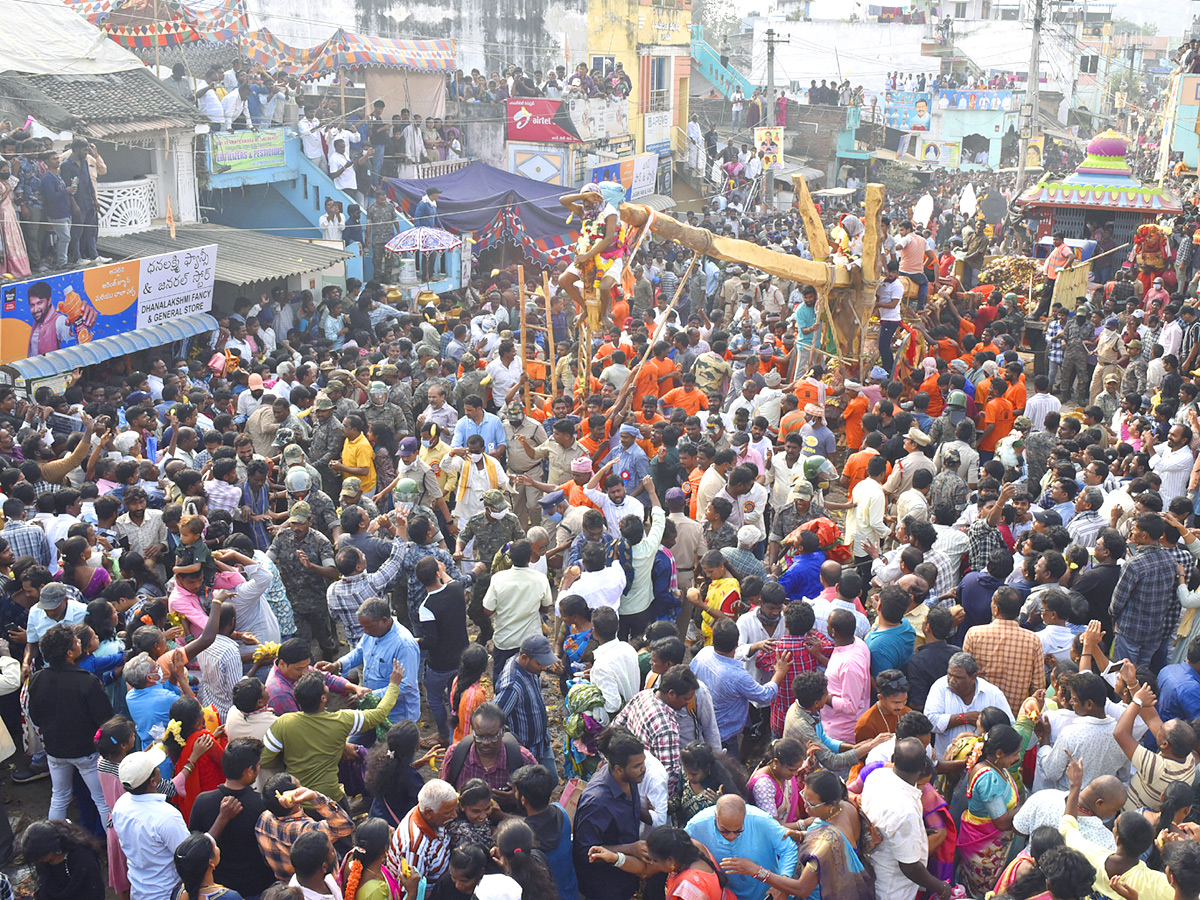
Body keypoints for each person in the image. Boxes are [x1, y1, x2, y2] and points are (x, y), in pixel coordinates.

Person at [861, 737, 955, 900]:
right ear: (923, 767)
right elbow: (910, 867)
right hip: (893, 888)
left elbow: (886, 824)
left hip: (875, 869)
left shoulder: (877, 775)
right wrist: (940, 887)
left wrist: (918, 831)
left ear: (893, 759)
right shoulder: (905, 811)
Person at [111, 749, 193, 900]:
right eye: (155, 768)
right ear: (153, 782)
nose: (158, 769)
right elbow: (188, 856)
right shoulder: (167, 816)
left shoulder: (121, 805)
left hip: (139, 890)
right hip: (166, 893)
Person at [957, 724, 1024, 896]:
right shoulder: (988, 778)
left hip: (985, 838)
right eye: (1015, 754)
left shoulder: (996, 766)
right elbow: (1001, 822)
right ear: (999, 753)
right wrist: (1028, 806)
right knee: (985, 892)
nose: (1017, 758)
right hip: (985, 848)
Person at [20, 820, 106, 900]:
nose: (38, 861)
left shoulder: (83, 858)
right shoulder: (44, 861)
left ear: (52, 848)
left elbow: (95, 892)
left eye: (40, 858)